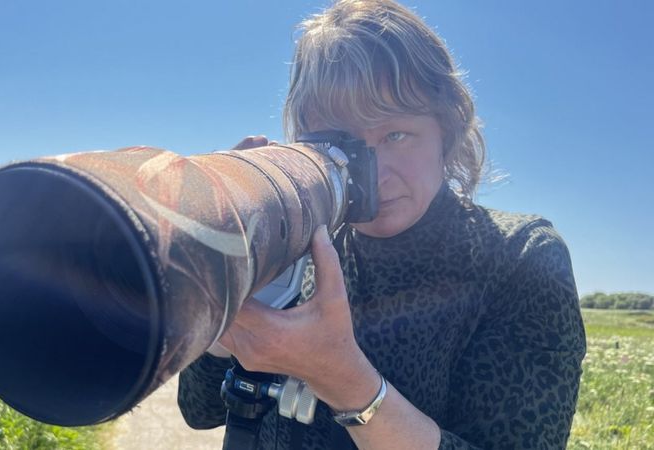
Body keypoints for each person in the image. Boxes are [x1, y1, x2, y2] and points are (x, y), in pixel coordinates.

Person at [177, 0, 586, 448]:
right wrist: (234, 288)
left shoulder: (519, 259)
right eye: (342, 144)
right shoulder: (299, 245)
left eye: (396, 135)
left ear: (447, 130)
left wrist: (345, 380)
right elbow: (200, 411)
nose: (377, 173)